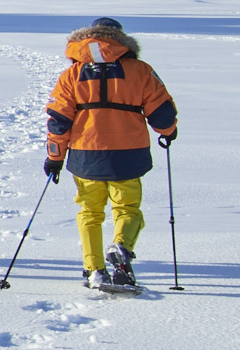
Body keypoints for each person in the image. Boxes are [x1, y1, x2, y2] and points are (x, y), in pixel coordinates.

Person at [43, 17, 179, 291]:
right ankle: (121, 248)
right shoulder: (140, 70)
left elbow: (58, 120)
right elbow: (162, 112)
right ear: (119, 39)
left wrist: (55, 157)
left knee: (89, 212)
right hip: (128, 153)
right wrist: (168, 132)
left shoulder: (71, 75)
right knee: (127, 209)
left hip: (85, 153)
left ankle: (94, 270)